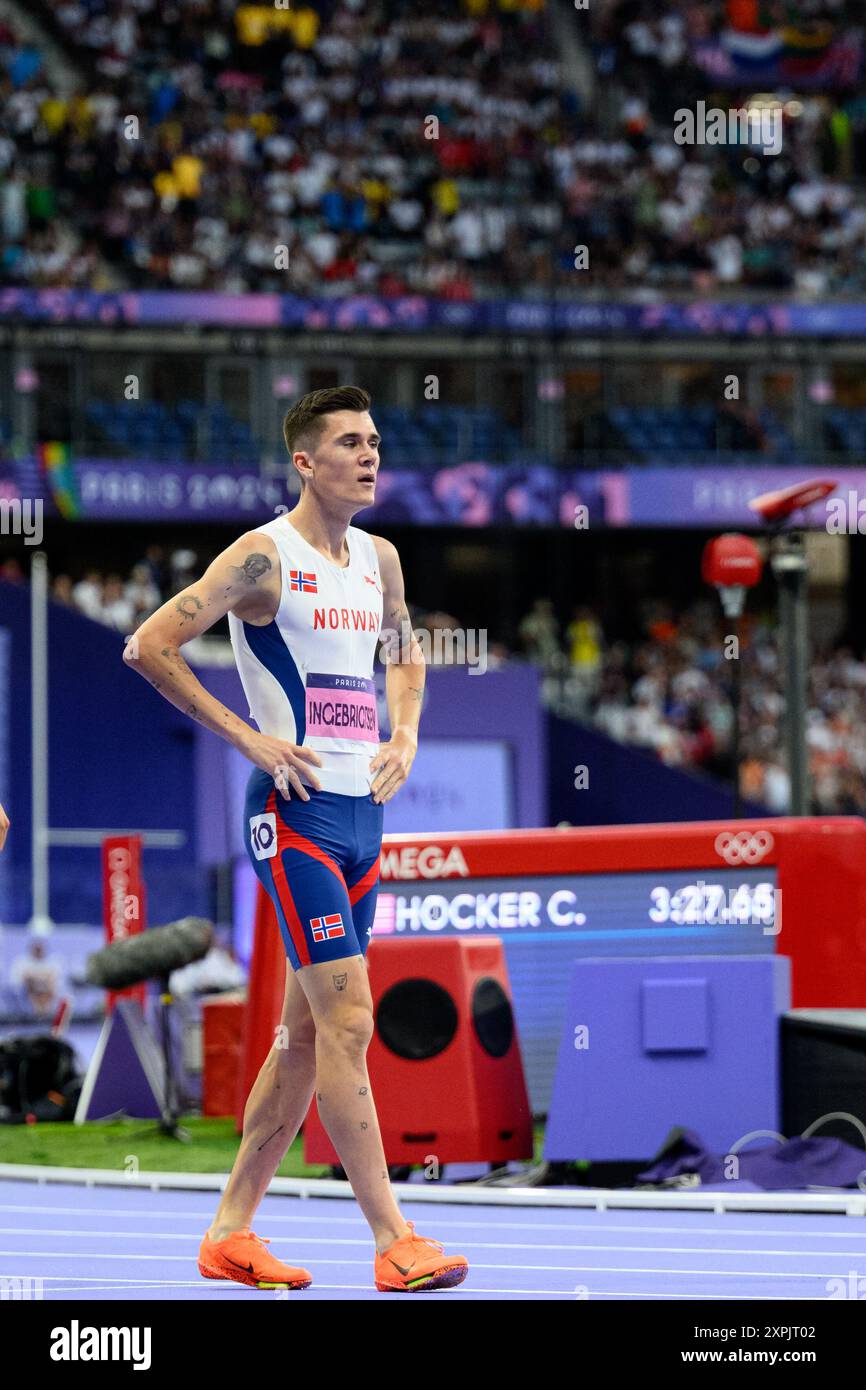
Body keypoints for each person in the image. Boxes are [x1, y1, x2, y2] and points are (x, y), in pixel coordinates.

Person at [124, 385, 468, 1293]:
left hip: (365, 817)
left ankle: (230, 1232)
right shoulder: (261, 558)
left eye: (377, 441)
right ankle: (394, 1238)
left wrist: (405, 735)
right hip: (296, 819)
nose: (371, 455)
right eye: (351, 442)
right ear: (305, 462)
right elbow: (148, 644)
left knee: (307, 1039)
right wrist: (247, 735)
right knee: (350, 1023)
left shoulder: (381, 560)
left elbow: (404, 649)